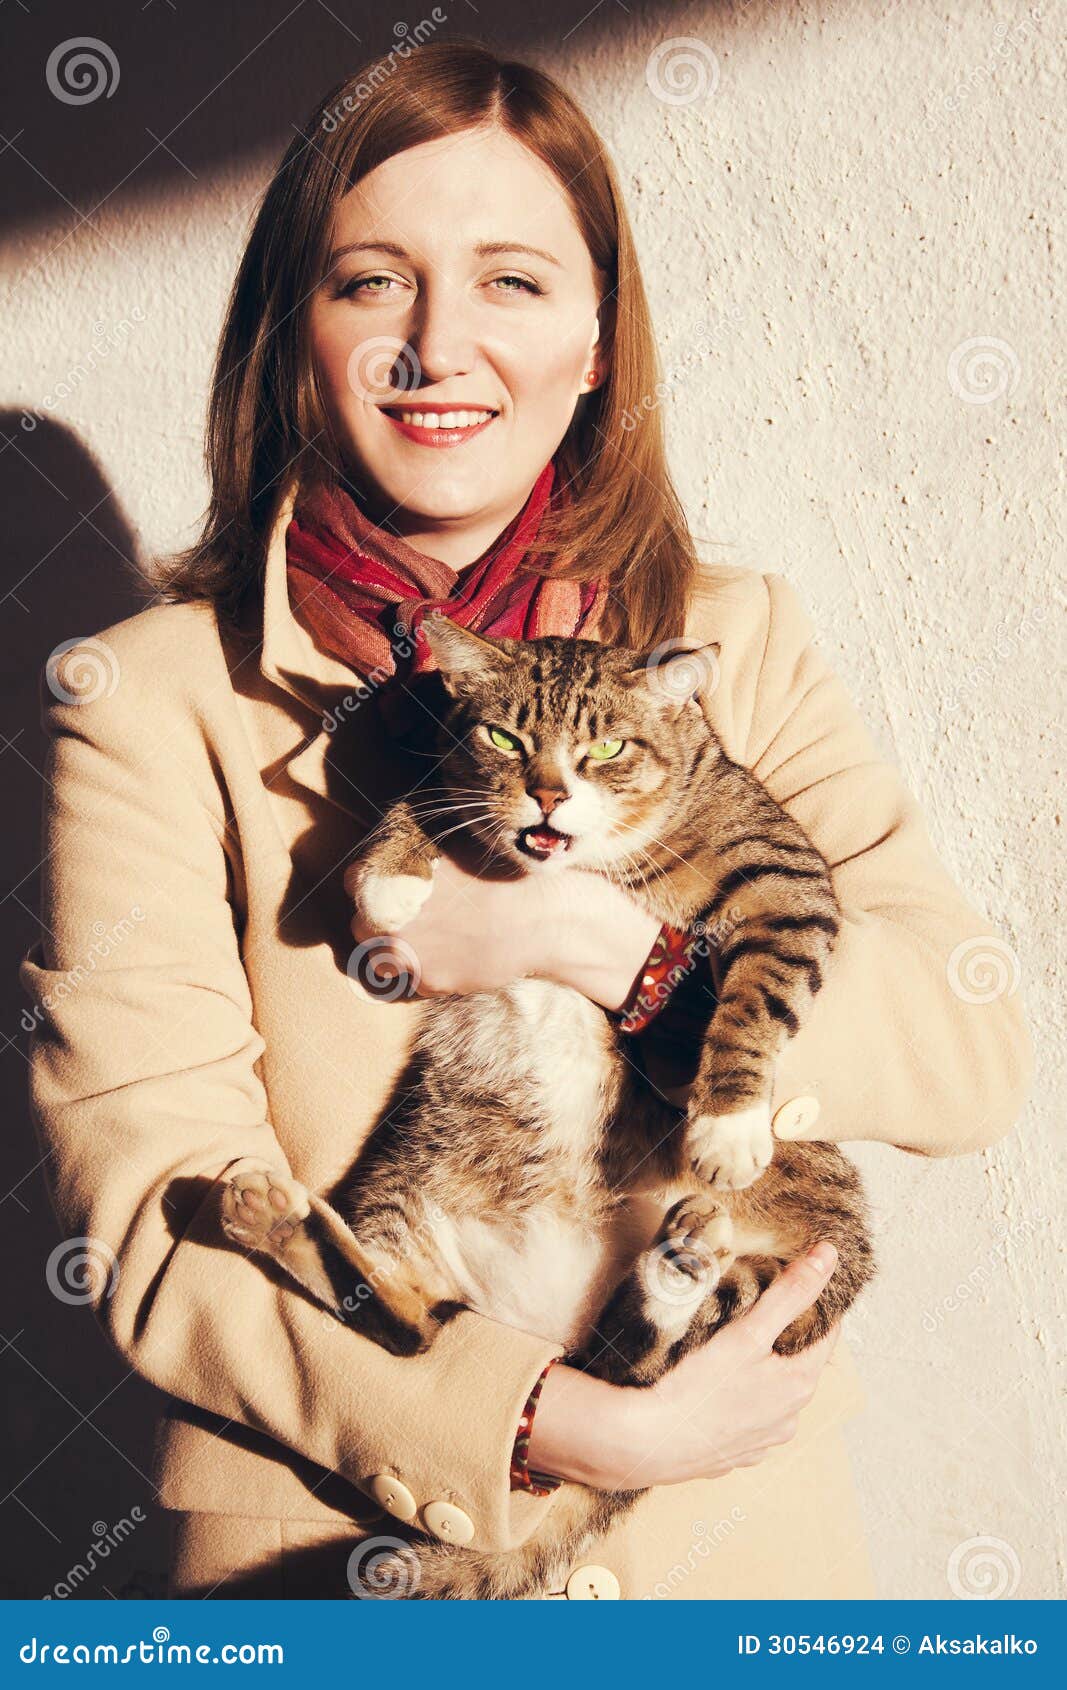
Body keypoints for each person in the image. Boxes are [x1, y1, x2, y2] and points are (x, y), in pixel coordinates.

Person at [20, 40, 1031, 1601]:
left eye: (513, 281)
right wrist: (547, 1420)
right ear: (296, 331)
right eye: (372, 283)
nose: (441, 345)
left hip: (724, 1568)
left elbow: (969, 1048)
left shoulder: (735, 638)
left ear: (597, 346)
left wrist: (617, 949)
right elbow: (159, 1210)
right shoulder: (151, 695)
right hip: (328, 1558)